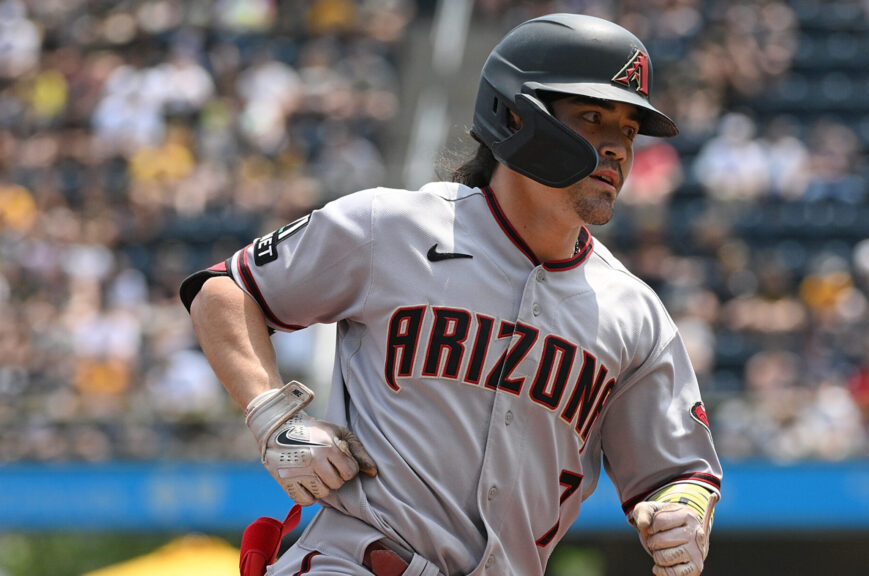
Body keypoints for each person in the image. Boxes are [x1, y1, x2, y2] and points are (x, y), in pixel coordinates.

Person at [181, 13, 722, 576]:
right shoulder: (392, 227)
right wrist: (273, 417)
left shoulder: (635, 313)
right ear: (517, 116)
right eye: (592, 117)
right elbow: (225, 290)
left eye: (629, 130)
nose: (617, 148)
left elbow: (680, 471)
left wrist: (684, 511)